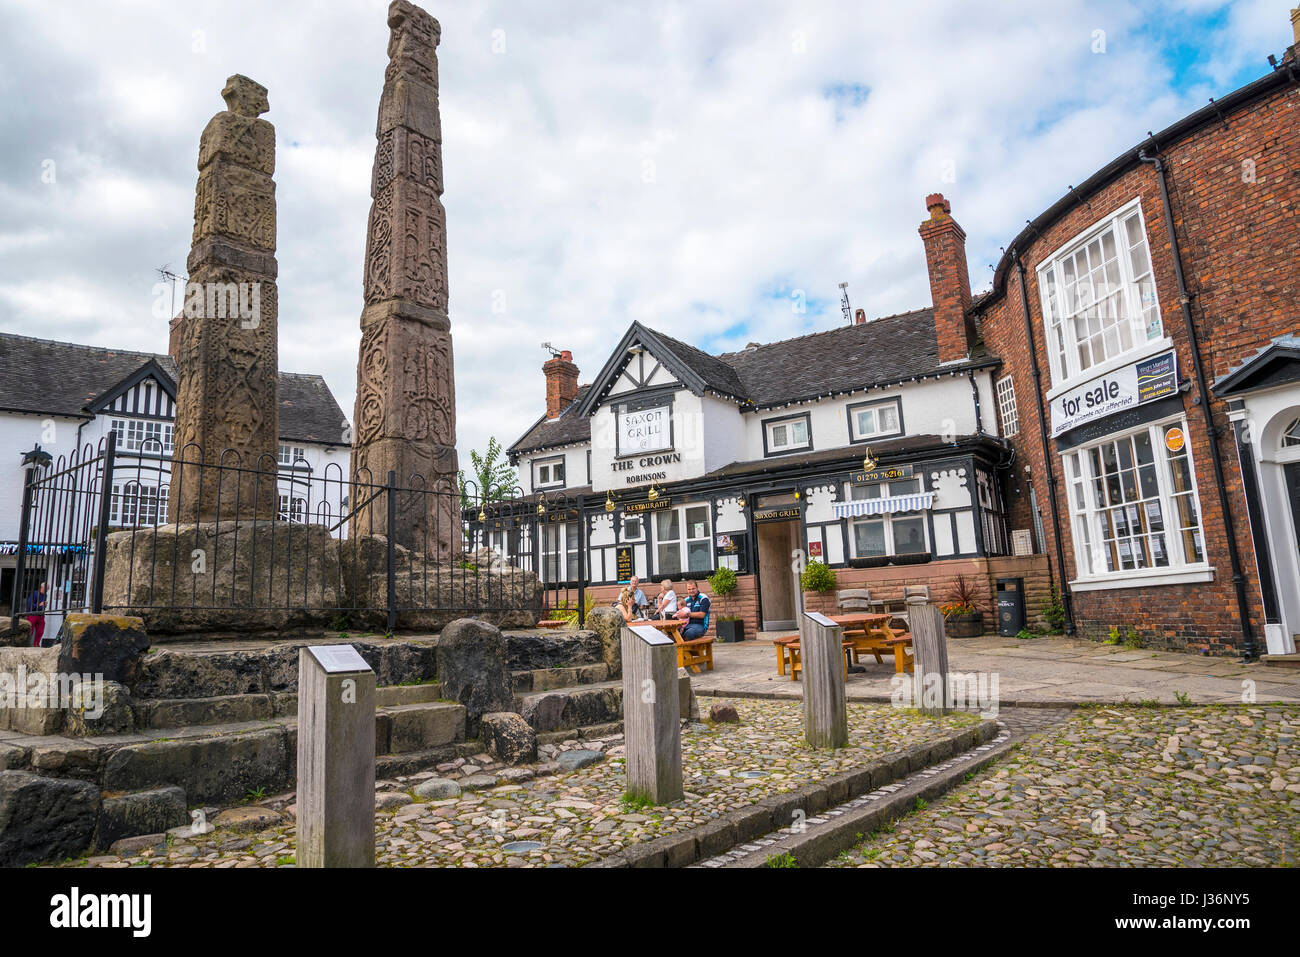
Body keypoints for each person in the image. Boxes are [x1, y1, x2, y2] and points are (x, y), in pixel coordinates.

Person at [26, 582, 47, 647]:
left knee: (40, 631)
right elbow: (29, 605)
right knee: (30, 631)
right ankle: (26, 644)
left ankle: (36, 644)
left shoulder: (45, 595)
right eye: (46, 589)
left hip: (40, 615)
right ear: (42, 588)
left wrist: (44, 605)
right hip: (32, 614)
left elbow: (41, 606)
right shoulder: (34, 594)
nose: (47, 590)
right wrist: (39, 605)